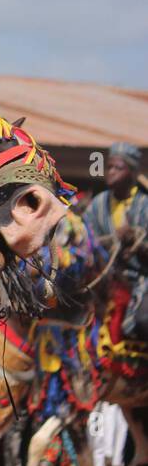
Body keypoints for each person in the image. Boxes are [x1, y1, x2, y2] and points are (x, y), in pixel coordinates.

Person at [85, 143, 148, 338]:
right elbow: (86, 240)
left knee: (143, 321)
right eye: (109, 167)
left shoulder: (145, 206)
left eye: (118, 168)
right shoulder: (98, 204)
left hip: (140, 278)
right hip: (105, 278)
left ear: (132, 173)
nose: (111, 172)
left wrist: (137, 245)